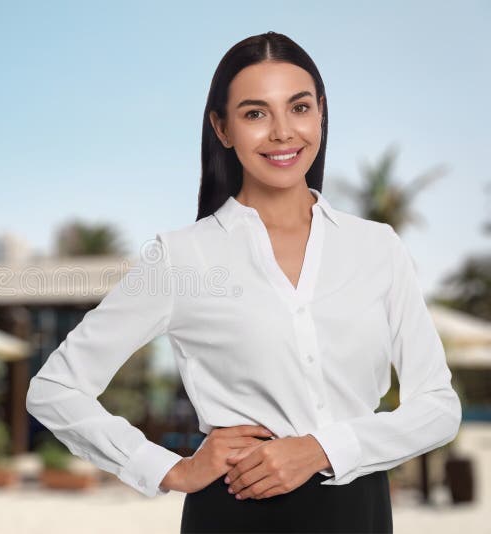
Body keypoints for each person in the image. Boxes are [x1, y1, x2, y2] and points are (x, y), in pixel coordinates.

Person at [26, 31, 461, 533]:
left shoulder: (377, 246)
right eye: (256, 113)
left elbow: (439, 407)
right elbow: (55, 389)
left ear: (320, 112)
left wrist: (320, 449)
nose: (282, 132)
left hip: (359, 511)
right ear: (222, 127)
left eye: (298, 108)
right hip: (234, 511)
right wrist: (169, 468)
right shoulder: (181, 258)